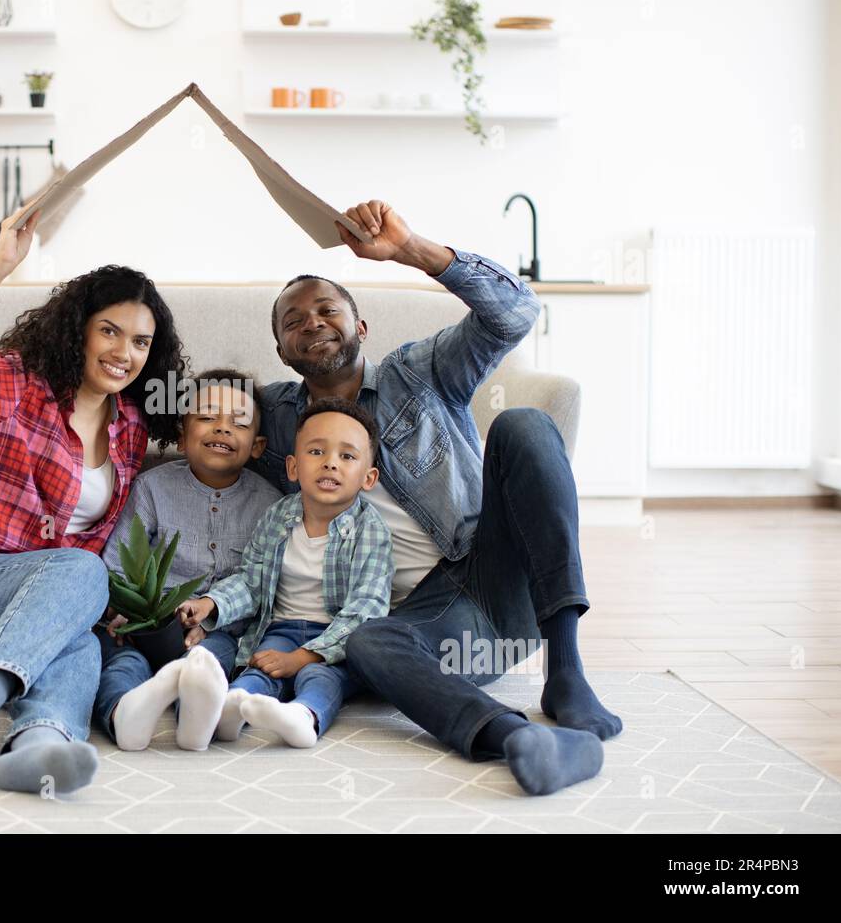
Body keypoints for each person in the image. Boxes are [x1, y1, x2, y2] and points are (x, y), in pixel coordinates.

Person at [247, 198, 620, 795]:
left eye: (327, 310)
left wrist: (411, 250)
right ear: (281, 351)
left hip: (495, 575)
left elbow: (517, 313)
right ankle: (519, 739)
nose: (311, 322)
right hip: (423, 628)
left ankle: (567, 671)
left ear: (360, 328)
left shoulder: (418, 372)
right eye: (293, 321)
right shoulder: (271, 416)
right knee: (366, 640)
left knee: (524, 426)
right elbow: (186, 425)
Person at [0, 204, 188, 795]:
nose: (125, 351)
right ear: (78, 328)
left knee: (83, 633)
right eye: (110, 331)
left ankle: (37, 744)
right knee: (81, 571)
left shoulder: (130, 428)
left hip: (16, 630)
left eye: (142, 341)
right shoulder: (14, 384)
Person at [176, 397, 394, 750]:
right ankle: (231, 707)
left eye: (347, 456)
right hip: (280, 628)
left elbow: (365, 609)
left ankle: (304, 716)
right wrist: (210, 604)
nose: (330, 465)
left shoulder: (371, 530)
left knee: (318, 676)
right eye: (316, 452)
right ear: (293, 467)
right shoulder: (278, 517)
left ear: (368, 478)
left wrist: (303, 657)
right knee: (260, 668)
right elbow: (251, 581)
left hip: (338, 640)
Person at [95, 369, 283, 751]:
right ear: (182, 437)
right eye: (207, 417)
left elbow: (263, 581)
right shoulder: (152, 488)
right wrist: (134, 614)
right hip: (145, 624)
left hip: (218, 630)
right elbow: (117, 561)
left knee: (210, 662)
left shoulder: (271, 504)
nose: (223, 429)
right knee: (123, 665)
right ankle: (123, 714)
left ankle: (197, 719)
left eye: (239, 423)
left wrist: (211, 618)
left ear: (258, 445)